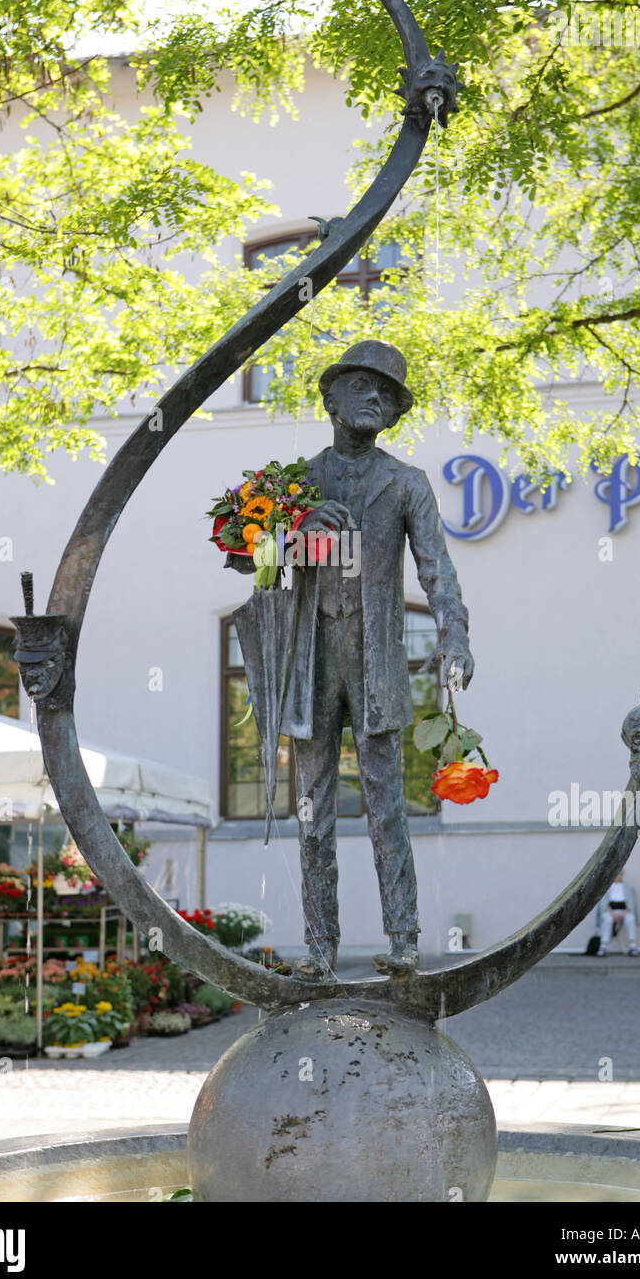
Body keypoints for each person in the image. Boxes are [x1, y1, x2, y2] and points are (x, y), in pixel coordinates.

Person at [281, 340, 474, 980]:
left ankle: (403, 939)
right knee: (312, 813)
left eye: (386, 394)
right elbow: (252, 569)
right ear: (330, 397)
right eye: (362, 386)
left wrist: (456, 636)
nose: (374, 399)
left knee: (387, 807)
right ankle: (317, 948)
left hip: (375, 662)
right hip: (312, 663)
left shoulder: (407, 483)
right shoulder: (296, 484)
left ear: (393, 414)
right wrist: (298, 530)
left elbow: (438, 572)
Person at [595, 871, 639, 956]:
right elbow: (603, 903)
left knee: (630, 919)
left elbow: (631, 903)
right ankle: (603, 946)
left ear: (622, 875)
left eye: (619, 874)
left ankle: (632, 945)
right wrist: (613, 914)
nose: (617, 876)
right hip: (610, 911)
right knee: (607, 920)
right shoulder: (606, 887)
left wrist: (623, 913)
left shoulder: (628, 887)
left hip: (625, 911)